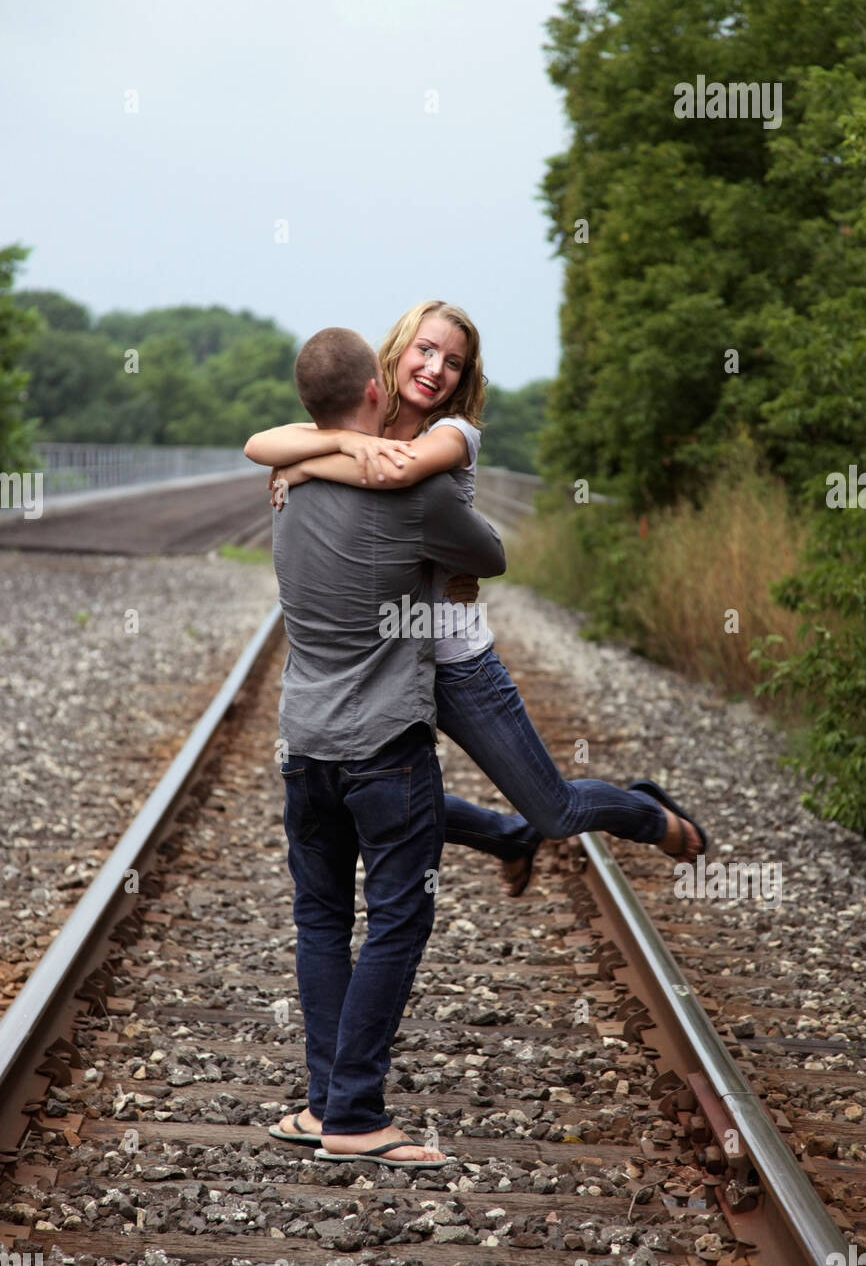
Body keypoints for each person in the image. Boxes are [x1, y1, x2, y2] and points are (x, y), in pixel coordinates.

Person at [245, 301, 708, 895]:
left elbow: (397, 473)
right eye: (426, 350)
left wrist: (303, 468)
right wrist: (339, 444)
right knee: (384, 794)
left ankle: (648, 813)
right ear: (397, 351)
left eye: (454, 362)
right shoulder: (361, 423)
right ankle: (505, 837)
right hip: (385, 662)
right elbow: (258, 443)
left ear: (464, 377)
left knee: (555, 811)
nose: (435, 368)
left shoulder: (453, 434)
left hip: (454, 662)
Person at [267, 326, 506, 1167]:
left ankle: (322, 1103)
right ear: (377, 387)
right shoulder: (420, 496)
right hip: (385, 747)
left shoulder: (284, 482)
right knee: (398, 922)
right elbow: (489, 555)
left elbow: (281, 447)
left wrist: (312, 454)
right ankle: (357, 1116)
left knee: (322, 920)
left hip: (305, 745)